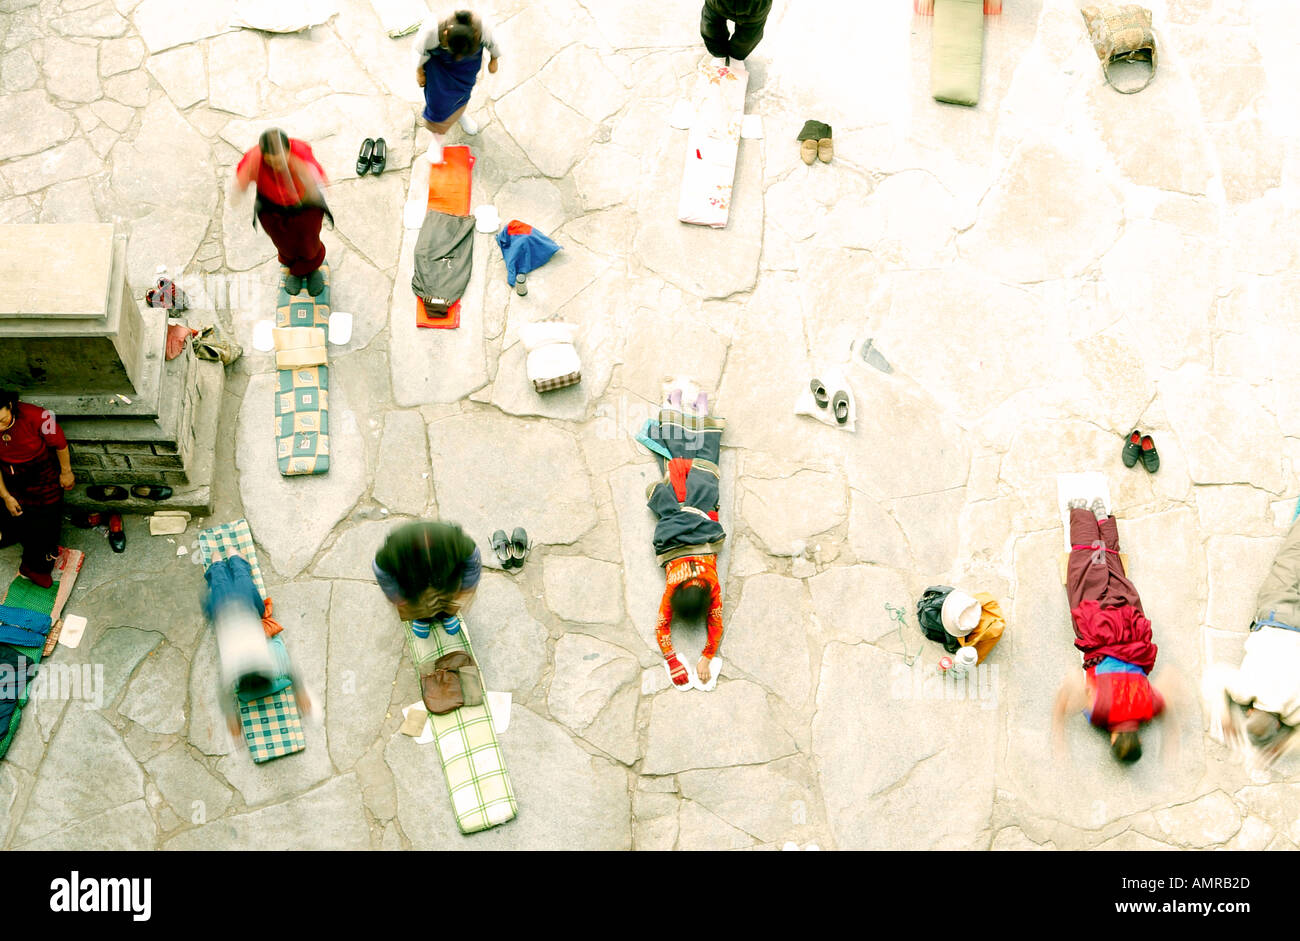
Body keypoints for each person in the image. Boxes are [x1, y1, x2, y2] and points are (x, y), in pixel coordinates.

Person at [1051, 499, 1176, 763]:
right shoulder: (1099, 714)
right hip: (1100, 630)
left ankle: (1102, 518)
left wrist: (1170, 734)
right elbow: (1073, 682)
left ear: (1139, 739)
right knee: (1087, 570)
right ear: (1114, 740)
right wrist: (1059, 728)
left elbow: (1172, 680)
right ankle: (1082, 512)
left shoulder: (1149, 710)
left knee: (1114, 572)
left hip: (1131, 626)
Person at [1203, 514, 1300, 770]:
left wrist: (1281, 747)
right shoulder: (1247, 689)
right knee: (1293, 557)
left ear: (1279, 724)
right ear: (1251, 712)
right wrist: (1223, 718)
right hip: (1276, 612)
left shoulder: (1295, 711)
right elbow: (1214, 676)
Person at [645, 387, 726, 687]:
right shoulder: (675, 587)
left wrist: (678, 661)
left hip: (693, 516)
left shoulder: (708, 584)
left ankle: (689, 411)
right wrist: (702, 656)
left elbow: (666, 627)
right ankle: (679, 409)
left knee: (699, 465)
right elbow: (663, 627)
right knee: (681, 463)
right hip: (688, 518)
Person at [232, 128, 332, 297]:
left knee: (309, 243)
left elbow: (317, 179)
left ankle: (311, 268)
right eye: (272, 162)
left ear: (289, 151)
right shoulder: (254, 159)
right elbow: (240, 184)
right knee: (285, 244)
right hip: (273, 211)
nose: (278, 167)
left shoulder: (300, 153)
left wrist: (308, 178)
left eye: (281, 161)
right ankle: (294, 269)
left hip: (304, 208)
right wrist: (238, 189)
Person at [0, 391, 74, 589]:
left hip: (42, 473)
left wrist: (66, 472)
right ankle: (16, 539)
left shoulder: (39, 416)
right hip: (11, 476)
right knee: (19, 515)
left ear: (10, 405)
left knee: (47, 523)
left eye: (2, 419)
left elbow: (60, 443)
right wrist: (6, 495)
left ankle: (35, 566)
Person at [413, 9, 501, 165]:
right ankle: (437, 140)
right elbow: (421, 52)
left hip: (467, 67)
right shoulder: (432, 30)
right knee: (439, 104)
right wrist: (420, 72)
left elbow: (493, 44)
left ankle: (459, 114)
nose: (458, 58)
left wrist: (494, 60)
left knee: (462, 94)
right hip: (439, 66)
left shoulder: (483, 27)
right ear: (445, 34)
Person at [373, 521, 482, 636]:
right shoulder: (396, 547)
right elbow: (381, 571)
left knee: (449, 601)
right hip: (413, 587)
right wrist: (395, 595)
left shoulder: (453, 539)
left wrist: (468, 586)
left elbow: (473, 560)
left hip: (447, 582)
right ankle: (422, 619)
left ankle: (447, 615)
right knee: (418, 605)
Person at [700, 0, 773, 63]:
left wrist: (737, 56)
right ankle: (718, 53)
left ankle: (735, 57)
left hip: (755, 7)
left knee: (747, 38)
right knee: (711, 28)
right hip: (718, 4)